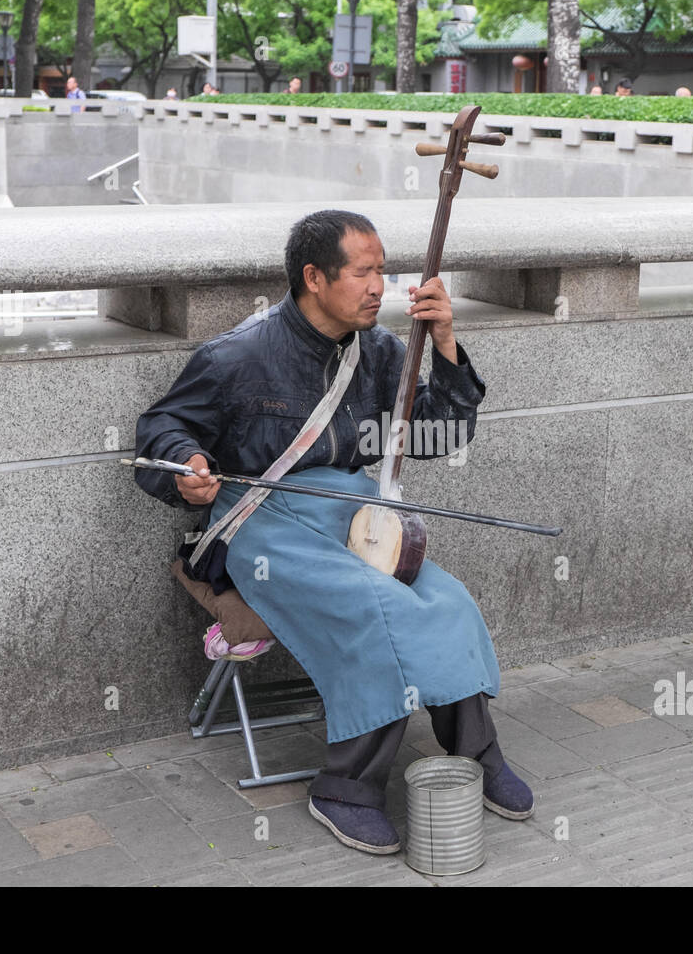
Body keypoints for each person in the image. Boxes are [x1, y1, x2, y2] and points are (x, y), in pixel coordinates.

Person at [132, 210, 533, 855]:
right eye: (363, 272)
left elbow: (438, 434)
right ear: (314, 278)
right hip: (260, 527)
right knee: (373, 610)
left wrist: (448, 344)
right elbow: (161, 431)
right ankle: (345, 788)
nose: (379, 286)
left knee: (449, 600)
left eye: (383, 270)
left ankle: (476, 752)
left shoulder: (377, 351)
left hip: (352, 517)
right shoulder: (237, 354)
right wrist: (190, 468)